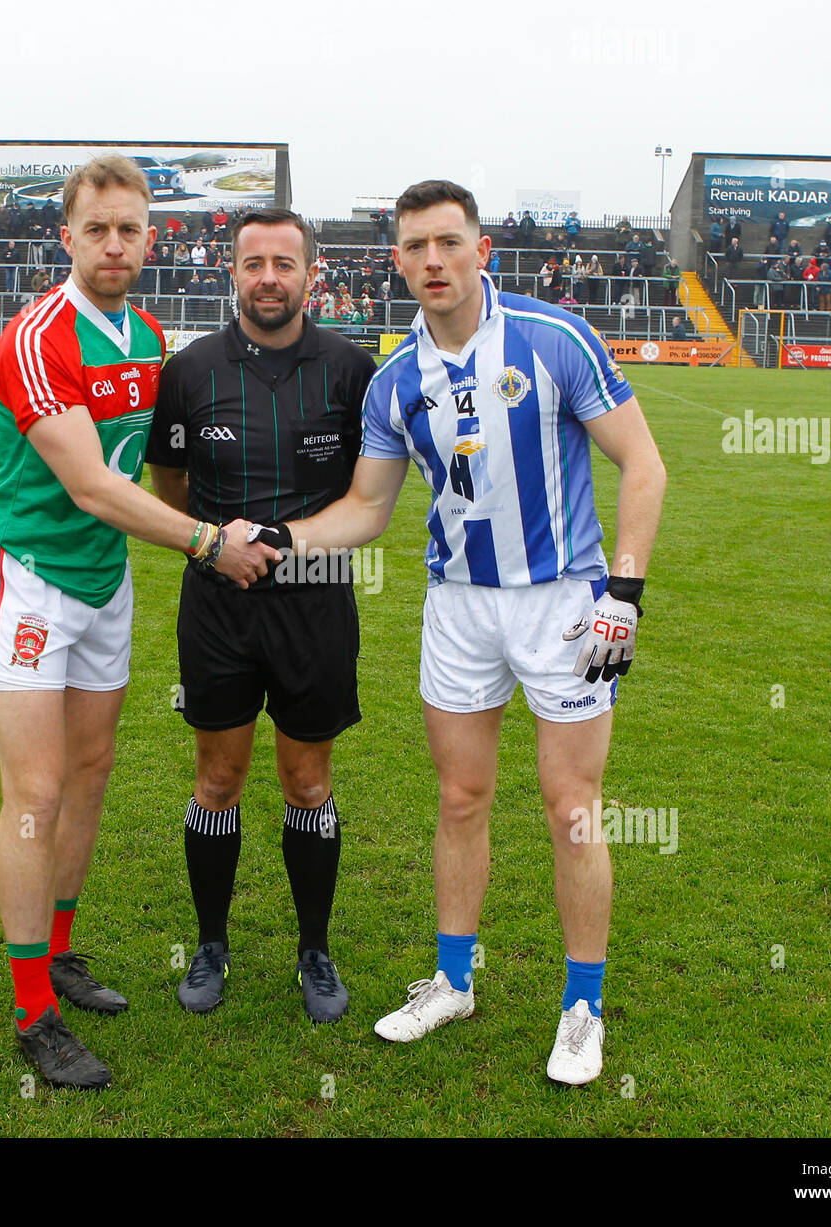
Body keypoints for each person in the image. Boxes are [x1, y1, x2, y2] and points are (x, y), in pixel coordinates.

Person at [265, 180, 666, 1086]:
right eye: (416, 246)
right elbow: (367, 506)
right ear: (397, 261)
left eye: (449, 242)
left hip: (567, 602)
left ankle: (583, 1004)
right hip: (457, 606)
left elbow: (643, 461)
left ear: (483, 250)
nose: (433, 260)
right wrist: (284, 539)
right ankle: (452, 980)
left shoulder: (552, 338)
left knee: (571, 807)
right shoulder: (395, 380)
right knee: (459, 799)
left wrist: (626, 594)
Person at [0, 155, 279, 1091]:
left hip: (103, 585)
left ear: (151, 236)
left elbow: (164, 465)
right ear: (66, 237)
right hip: (24, 576)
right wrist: (206, 541)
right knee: (36, 789)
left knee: (91, 769)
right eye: (96, 228)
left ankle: (58, 953)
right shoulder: (36, 336)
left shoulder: (146, 334)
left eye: (129, 229)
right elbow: (93, 483)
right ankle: (31, 1013)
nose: (114, 244)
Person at [146, 208, 377, 1024]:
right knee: (218, 776)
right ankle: (212, 943)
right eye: (254, 263)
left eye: (285, 262)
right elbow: (168, 487)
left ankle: (315, 949)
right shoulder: (190, 369)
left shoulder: (354, 369)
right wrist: (215, 546)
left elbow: (369, 492)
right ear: (232, 272)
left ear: (311, 273)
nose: (269, 277)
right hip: (218, 604)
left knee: (308, 779)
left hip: (316, 599)